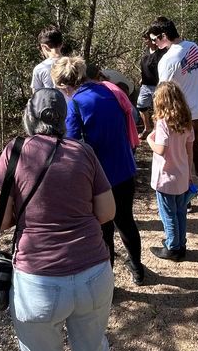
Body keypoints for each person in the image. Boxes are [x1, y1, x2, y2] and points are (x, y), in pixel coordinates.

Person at [0, 88, 115, 351]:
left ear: (29, 115)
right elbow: (106, 213)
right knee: (92, 349)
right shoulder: (84, 152)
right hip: (92, 274)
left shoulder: (14, 153)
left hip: (37, 284)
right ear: (63, 119)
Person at [51, 56, 146, 285]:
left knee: (104, 228)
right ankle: (137, 269)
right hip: (124, 166)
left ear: (65, 85)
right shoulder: (110, 90)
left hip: (100, 177)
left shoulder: (75, 104)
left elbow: (72, 145)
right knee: (125, 221)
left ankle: (107, 280)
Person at [148, 16, 198, 204]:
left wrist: (157, 122)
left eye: (155, 39)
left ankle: (183, 198)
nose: (154, 44)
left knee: (178, 156)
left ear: (164, 36)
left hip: (181, 115)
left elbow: (162, 94)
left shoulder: (168, 61)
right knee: (196, 151)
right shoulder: (193, 47)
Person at [146, 81, 197, 261]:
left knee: (168, 213)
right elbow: (190, 150)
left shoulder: (163, 122)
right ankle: (181, 243)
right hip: (182, 175)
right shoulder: (186, 121)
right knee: (180, 211)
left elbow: (160, 149)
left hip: (165, 178)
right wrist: (190, 173)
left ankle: (172, 247)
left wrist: (148, 140)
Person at [137, 34, 165, 139]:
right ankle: (147, 128)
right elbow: (144, 65)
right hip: (145, 85)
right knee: (141, 106)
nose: (144, 42)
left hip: (157, 86)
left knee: (158, 109)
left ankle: (157, 131)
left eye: (146, 40)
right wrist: (142, 77)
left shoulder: (162, 53)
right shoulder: (146, 51)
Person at [31, 26, 63, 92]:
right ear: (61, 44)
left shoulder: (40, 69)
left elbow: (36, 95)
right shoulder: (74, 65)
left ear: (44, 47)